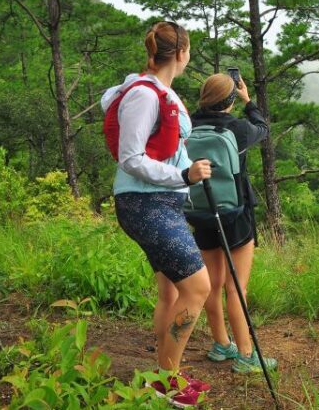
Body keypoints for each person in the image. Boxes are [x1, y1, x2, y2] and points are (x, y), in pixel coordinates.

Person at [101, 21, 212, 407]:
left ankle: (167, 377)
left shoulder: (159, 92)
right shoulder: (145, 96)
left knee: (171, 290)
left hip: (161, 202)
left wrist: (182, 176)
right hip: (145, 203)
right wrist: (182, 174)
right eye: (190, 50)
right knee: (198, 287)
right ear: (181, 53)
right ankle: (168, 383)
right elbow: (131, 158)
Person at [187, 73, 278, 373]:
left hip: (202, 212)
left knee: (212, 285)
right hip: (235, 215)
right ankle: (247, 355)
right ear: (229, 100)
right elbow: (263, 128)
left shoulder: (189, 126)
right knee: (237, 286)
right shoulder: (237, 128)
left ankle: (221, 344)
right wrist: (248, 100)